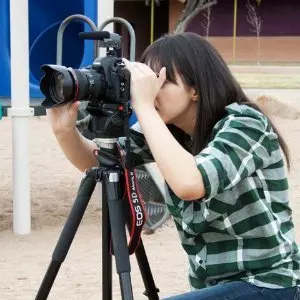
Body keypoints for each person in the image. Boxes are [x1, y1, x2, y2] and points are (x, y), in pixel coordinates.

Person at [46, 32, 300, 299]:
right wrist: (65, 132)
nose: (151, 92)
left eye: (162, 82)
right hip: (215, 289)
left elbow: (191, 184)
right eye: (147, 83)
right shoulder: (167, 131)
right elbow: (100, 160)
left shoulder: (246, 124)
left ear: (196, 89)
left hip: (269, 285)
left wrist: (143, 106)